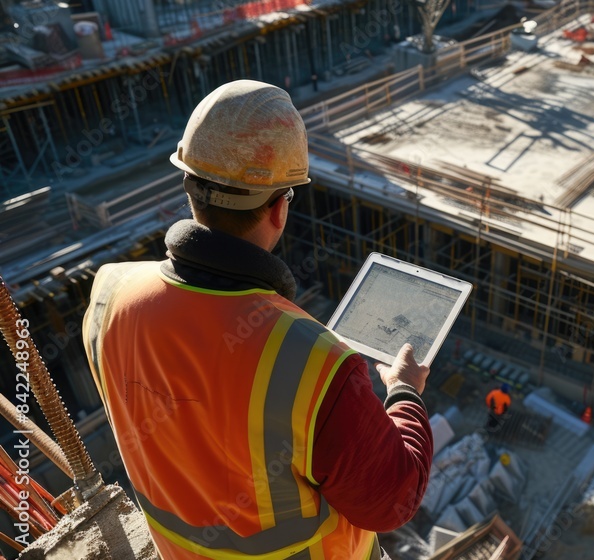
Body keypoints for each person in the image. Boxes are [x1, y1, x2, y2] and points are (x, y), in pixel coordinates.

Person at [82, 80, 433, 560]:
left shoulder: (109, 294)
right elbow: (393, 499)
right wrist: (405, 391)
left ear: (189, 188)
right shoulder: (315, 365)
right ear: (279, 208)